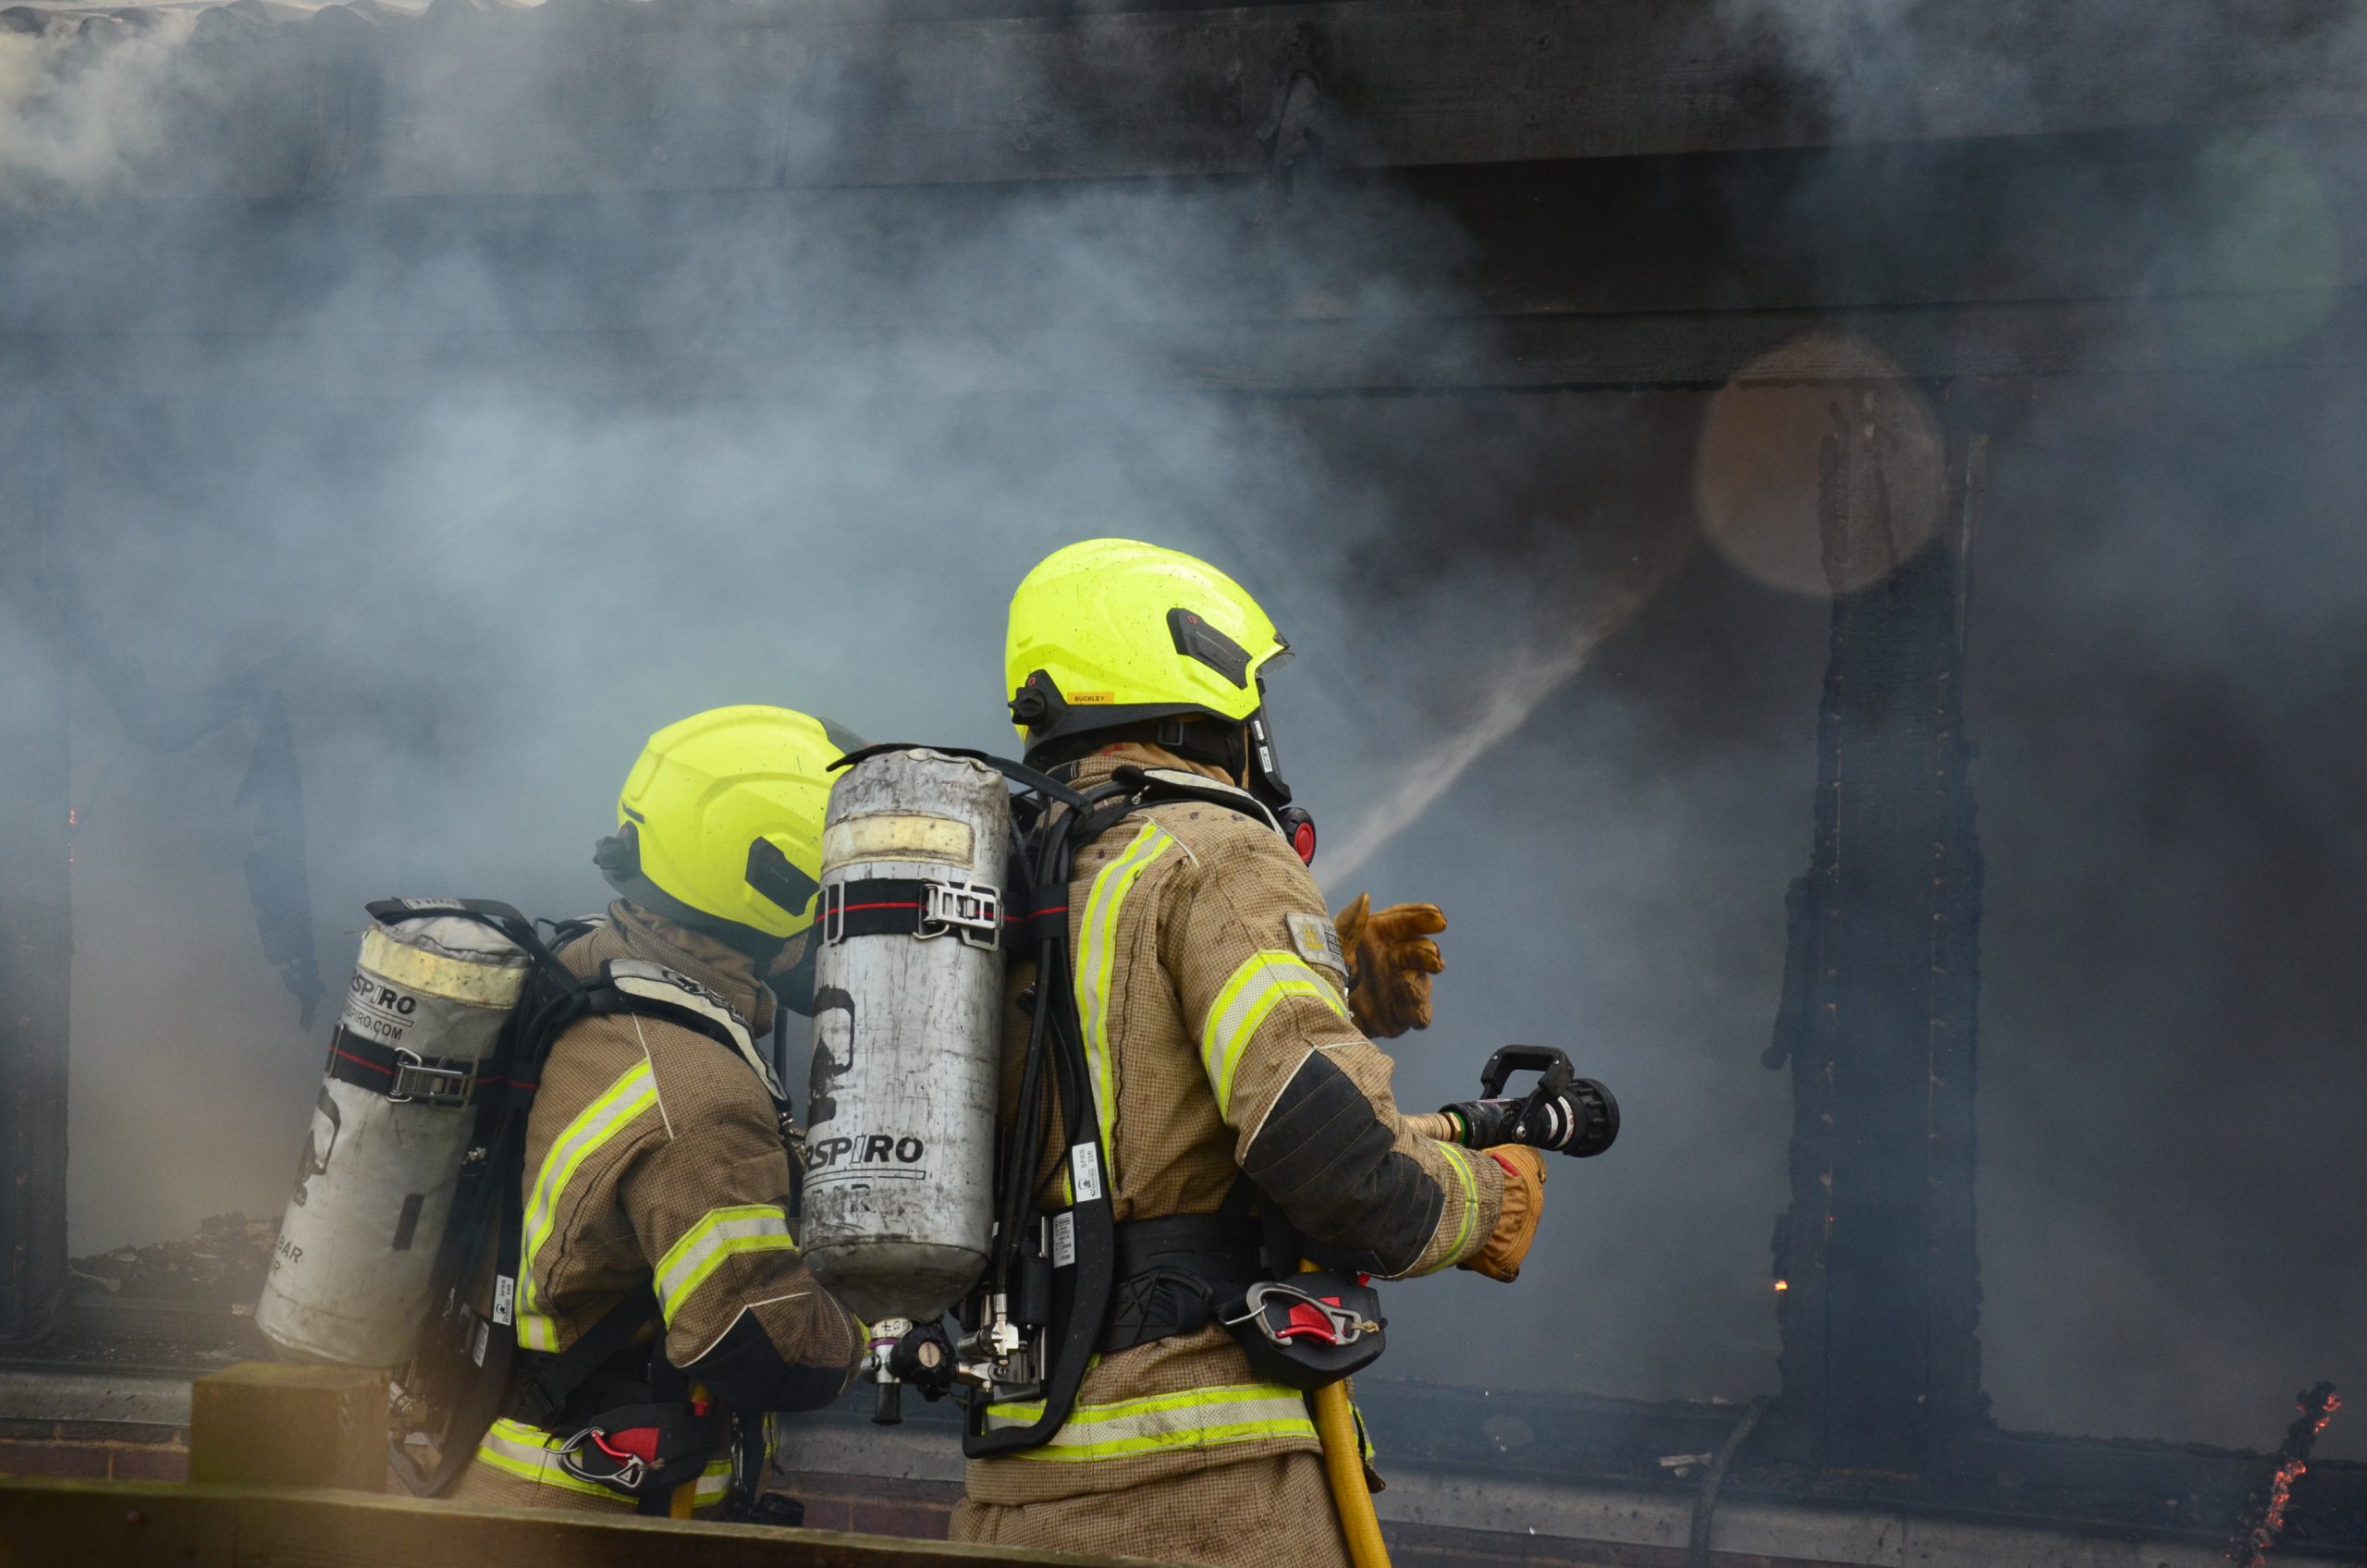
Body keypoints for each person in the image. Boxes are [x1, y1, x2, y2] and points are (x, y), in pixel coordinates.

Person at [947, 540, 1550, 1567]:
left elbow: (1117, 1083)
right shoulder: (1217, 855)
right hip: (1200, 1492)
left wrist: (1330, 995)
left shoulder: (1008, 886)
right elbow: (1350, 1181)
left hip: (1013, 1484)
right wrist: (1490, 1197)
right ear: (1203, 681)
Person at [448, 704, 866, 1516]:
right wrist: (883, 1307)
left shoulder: (583, 961)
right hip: (588, 1525)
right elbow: (766, 1350)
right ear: (778, 885)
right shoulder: (699, 1100)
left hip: (496, 1465)